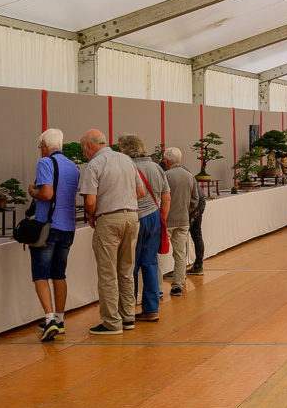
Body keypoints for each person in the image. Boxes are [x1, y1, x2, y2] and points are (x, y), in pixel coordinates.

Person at [79, 129, 144, 335]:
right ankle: (128, 317)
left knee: (107, 272)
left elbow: (90, 201)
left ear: (90, 146)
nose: (84, 154)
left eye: (84, 149)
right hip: (132, 217)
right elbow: (141, 192)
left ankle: (111, 322)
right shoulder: (126, 160)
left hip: (109, 219)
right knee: (126, 270)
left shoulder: (95, 164)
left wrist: (92, 215)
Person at [27, 128, 80, 341]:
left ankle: (48, 320)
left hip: (47, 227)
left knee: (40, 274)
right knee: (59, 274)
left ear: (46, 146)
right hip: (68, 227)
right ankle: (59, 318)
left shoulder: (45, 163)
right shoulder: (73, 167)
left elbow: (47, 193)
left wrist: (32, 191)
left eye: (40, 146)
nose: (40, 150)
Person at [118, 134, 171, 323]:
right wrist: (161, 220)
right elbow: (166, 198)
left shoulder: (127, 167)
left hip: (136, 218)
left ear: (124, 149)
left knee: (129, 264)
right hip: (155, 217)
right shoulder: (157, 167)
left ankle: (127, 309)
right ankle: (151, 309)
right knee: (150, 264)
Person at [162, 147, 198, 296]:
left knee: (158, 255)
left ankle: (157, 288)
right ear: (180, 159)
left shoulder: (165, 176)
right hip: (183, 220)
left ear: (166, 160)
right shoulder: (190, 176)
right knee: (180, 254)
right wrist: (186, 211)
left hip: (166, 221)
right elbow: (195, 200)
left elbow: (161, 198)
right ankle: (178, 285)